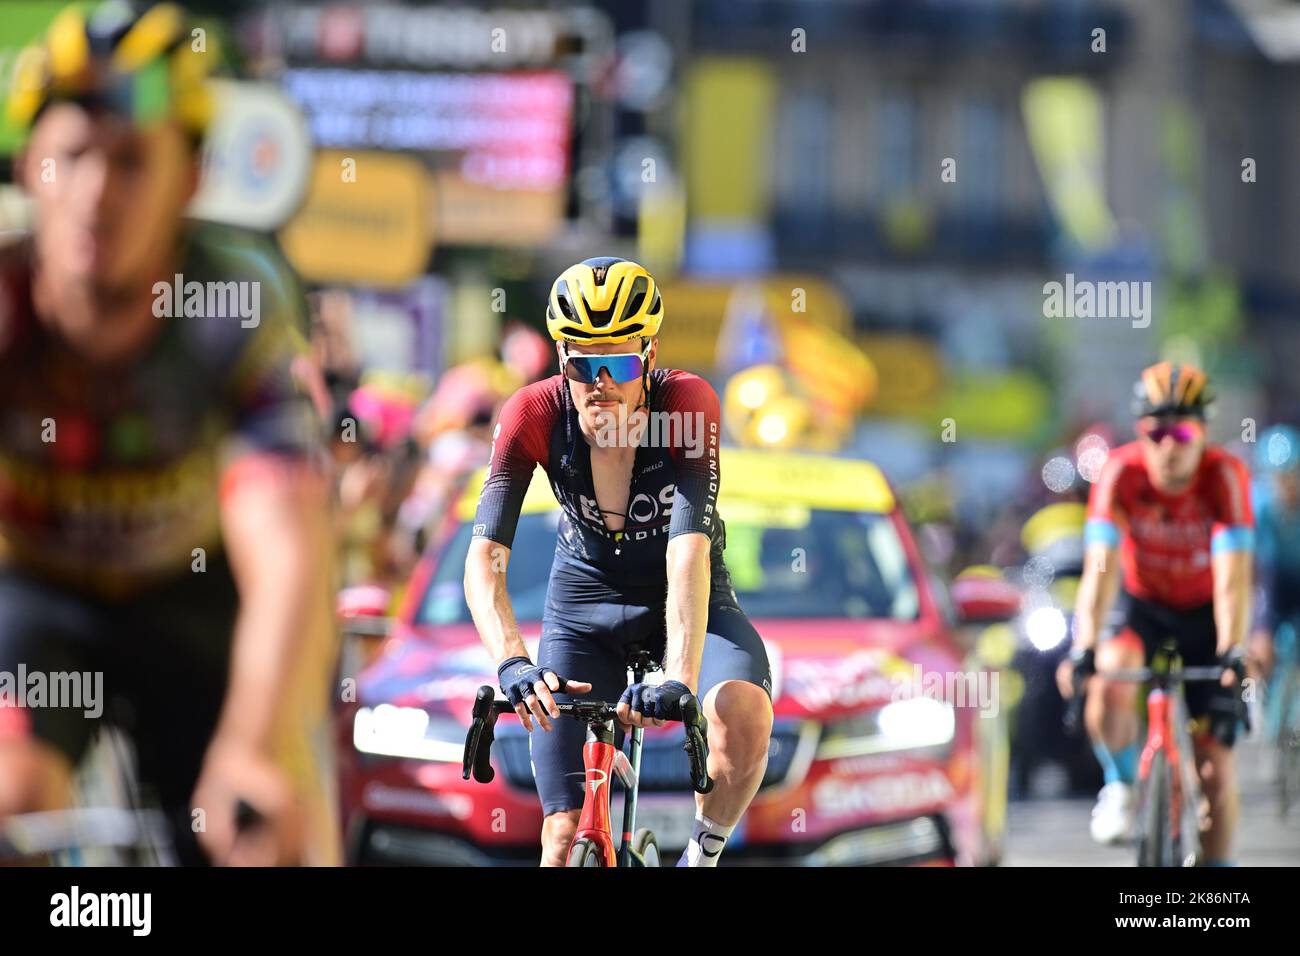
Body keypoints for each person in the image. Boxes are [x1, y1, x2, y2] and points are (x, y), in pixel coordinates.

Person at [0, 1, 339, 865]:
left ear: (189, 180)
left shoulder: (233, 308)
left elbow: (287, 545)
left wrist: (256, 746)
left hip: (191, 596)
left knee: (264, 829)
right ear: (29, 164)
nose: (95, 194)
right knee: (11, 796)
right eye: (71, 156)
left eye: (129, 161)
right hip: (40, 596)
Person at [463, 257, 773, 867]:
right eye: (584, 364)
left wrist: (681, 676)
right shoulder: (533, 413)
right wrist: (512, 663)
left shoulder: (687, 403)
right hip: (584, 605)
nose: (601, 382)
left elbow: (689, 547)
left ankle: (702, 855)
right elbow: (484, 557)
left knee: (742, 712)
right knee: (561, 834)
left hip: (683, 602)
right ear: (560, 361)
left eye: (621, 363)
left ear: (649, 358)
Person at [1057, 362, 1252, 864]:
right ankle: (1121, 783)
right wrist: (1083, 645)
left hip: (1206, 614)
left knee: (1216, 774)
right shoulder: (1120, 473)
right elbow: (1099, 571)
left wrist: (1233, 649)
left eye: (1183, 429)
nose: (1170, 444)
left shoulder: (1224, 476)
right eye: (1156, 431)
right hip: (1141, 605)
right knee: (1106, 684)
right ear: (1140, 433)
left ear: (1203, 433)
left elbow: (1232, 577)